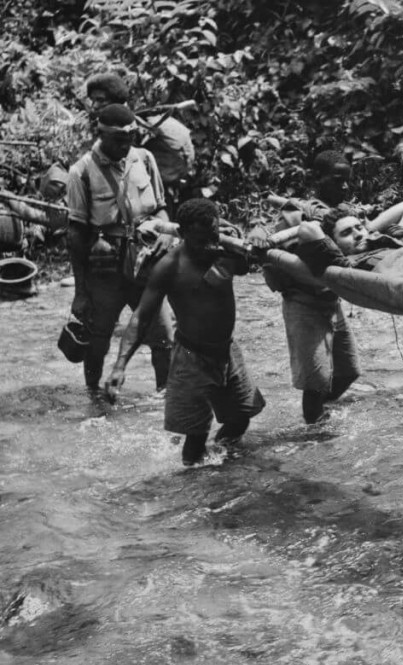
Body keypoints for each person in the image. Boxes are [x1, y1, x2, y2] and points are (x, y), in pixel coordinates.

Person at [104, 199, 265, 465]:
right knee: (195, 439)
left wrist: (257, 235)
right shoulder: (170, 266)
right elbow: (142, 316)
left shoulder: (223, 249)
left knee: (240, 418)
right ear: (184, 233)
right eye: (201, 240)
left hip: (226, 350)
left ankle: (223, 465)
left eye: (213, 236)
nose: (209, 245)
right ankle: (196, 479)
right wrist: (120, 366)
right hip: (192, 357)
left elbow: (248, 264)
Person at [65, 103, 176, 392]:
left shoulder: (145, 159)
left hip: (145, 261)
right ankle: (94, 399)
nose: (125, 144)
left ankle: (163, 402)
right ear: (101, 133)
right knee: (97, 340)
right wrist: (80, 292)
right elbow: (76, 234)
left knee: (164, 337)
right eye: (118, 138)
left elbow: (161, 208)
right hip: (105, 268)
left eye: (130, 137)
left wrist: (166, 233)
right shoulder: (81, 172)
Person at [250, 150, 361, 424]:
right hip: (303, 303)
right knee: (315, 382)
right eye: (337, 180)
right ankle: (314, 430)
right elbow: (267, 237)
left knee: (348, 372)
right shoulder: (298, 214)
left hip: (330, 300)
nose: (344, 187)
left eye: (347, 181)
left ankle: (320, 413)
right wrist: (259, 237)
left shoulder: (342, 214)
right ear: (316, 179)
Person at [85, 73, 195, 216]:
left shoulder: (128, 127)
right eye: (92, 100)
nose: (94, 106)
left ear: (115, 101)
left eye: (100, 100)